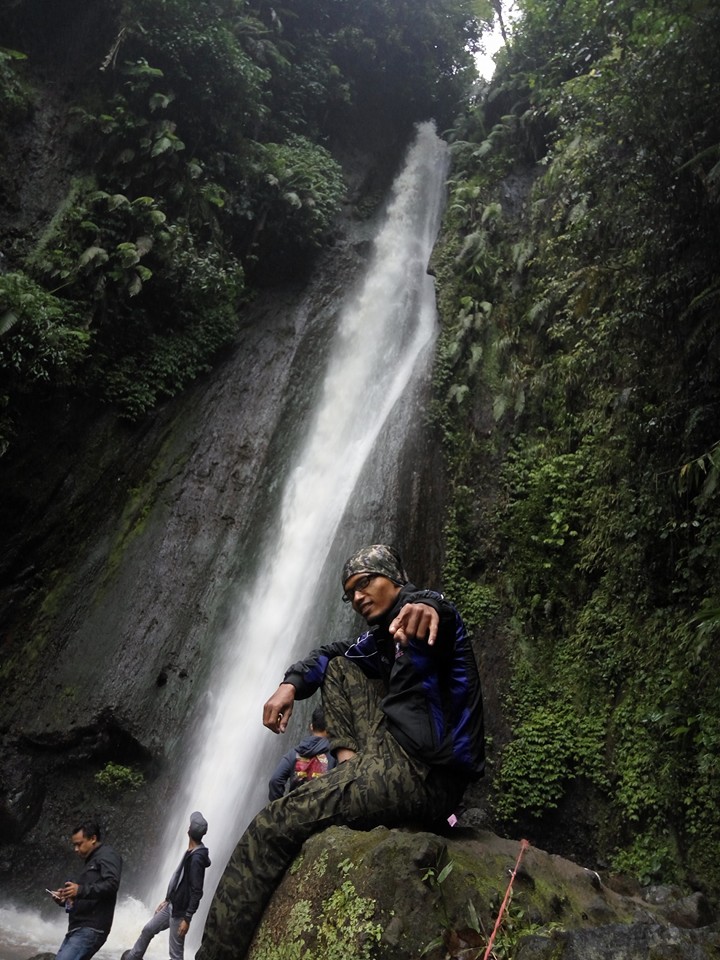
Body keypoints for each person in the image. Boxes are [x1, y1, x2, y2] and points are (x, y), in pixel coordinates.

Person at [197, 543, 485, 960]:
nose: (357, 596)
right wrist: (291, 684)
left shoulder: (425, 618)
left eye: (366, 583)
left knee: (271, 824)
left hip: (424, 775)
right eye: (350, 592)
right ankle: (348, 769)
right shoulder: (381, 639)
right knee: (339, 665)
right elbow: (332, 654)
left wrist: (428, 605)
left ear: (396, 579)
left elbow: (436, 610)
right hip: (393, 760)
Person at [121, 811, 211, 960]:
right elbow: (179, 881)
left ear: (189, 831)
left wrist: (187, 919)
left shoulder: (196, 859)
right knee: (148, 930)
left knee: (175, 955)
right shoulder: (191, 852)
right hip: (171, 906)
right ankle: (133, 957)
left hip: (180, 912)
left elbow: (197, 891)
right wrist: (167, 899)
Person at [50, 819, 123, 960]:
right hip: (77, 928)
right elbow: (83, 895)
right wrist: (65, 900)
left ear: (93, 839)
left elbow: (112, 884)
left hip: (91, 928)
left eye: (79, 844)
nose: (76, 849)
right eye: (74, 845)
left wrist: (80, 890)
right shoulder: (89, 862)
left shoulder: (108, 855)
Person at [268, 705, 337, 801]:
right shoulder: (335, 754)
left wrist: (281, 808)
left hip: (296, 812)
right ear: (331, 728)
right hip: (325, 812)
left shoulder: (293, 754)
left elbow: (275, 781)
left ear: (311, 727)